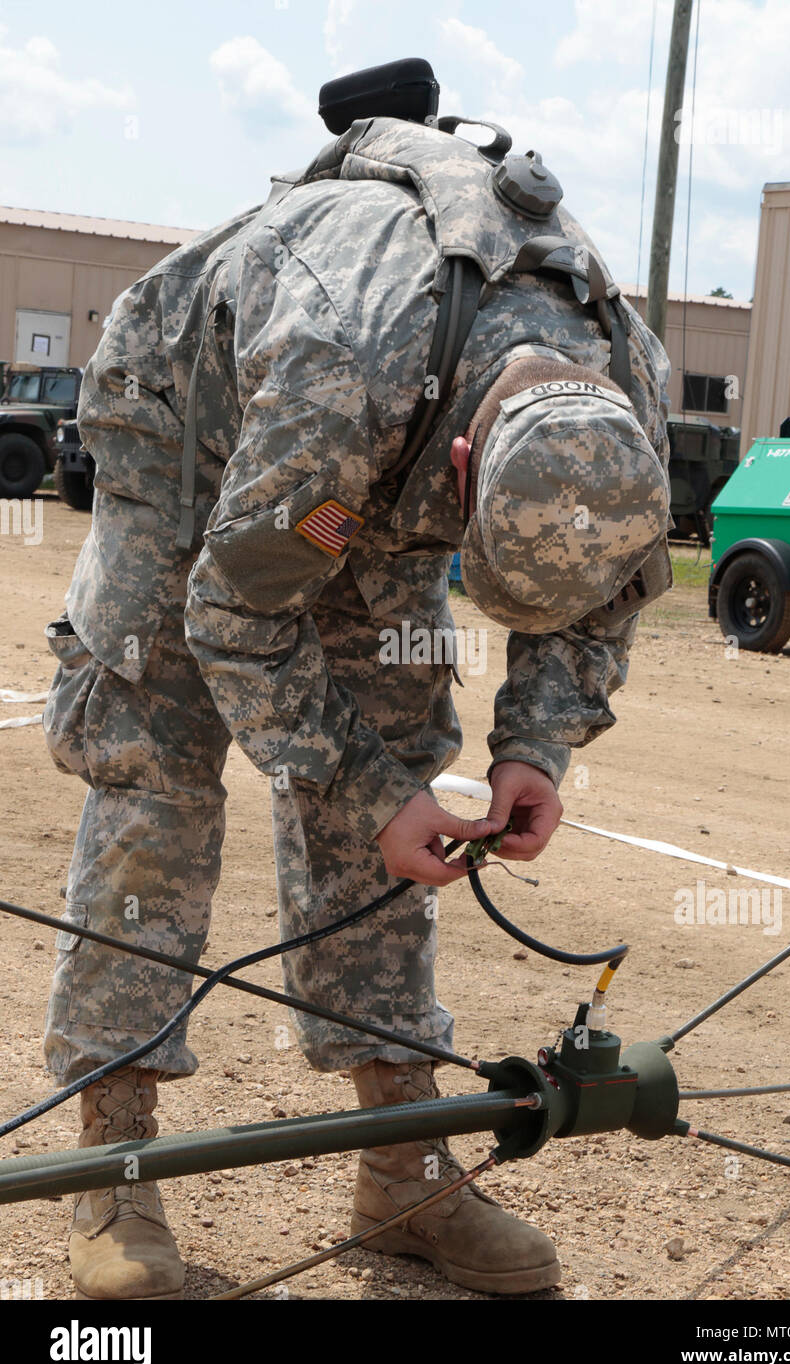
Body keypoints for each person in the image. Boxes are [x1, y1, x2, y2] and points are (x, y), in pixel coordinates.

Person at [41, 112, 671, 1300]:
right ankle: (112, 1158)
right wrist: (366, 789)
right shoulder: (338, 377)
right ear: (458, 482)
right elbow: (235, 616)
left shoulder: (621, 382)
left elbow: (597, 598)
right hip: (190, 442)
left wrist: (532, 745)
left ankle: (402, 1165)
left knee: (393, 777)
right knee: (159, 778)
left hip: (384, 445)